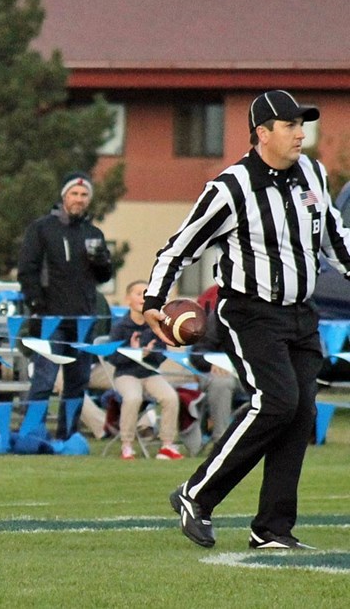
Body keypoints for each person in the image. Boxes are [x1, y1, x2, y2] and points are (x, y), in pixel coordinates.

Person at [145, 90, 350, 550]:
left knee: (301, 415)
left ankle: (272, 529)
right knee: (277, 402)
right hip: (250, 311)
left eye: (303, 124)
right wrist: (154, 299)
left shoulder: (313, 175)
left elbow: (336, 242)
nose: (301, 133)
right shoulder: (230, 187)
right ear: (262, 133)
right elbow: (179, 247)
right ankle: (195, 496)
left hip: (302, 313)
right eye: (291, 125)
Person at [17, 171, 113, 439]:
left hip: (83, 319)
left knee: (77, 382)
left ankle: (67, 436)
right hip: (50, 318)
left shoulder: (93, 233)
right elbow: (27, 269)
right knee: (44, 381)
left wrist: (103, 260)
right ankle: (30, 434)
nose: (79, 199)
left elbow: (104, 277)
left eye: (84, 195)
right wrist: (35, 304)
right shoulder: (42, 228)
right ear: (63, 196)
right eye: (74, 194)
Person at [107, 280, 182, 460]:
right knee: (133, 397)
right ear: (127, 299)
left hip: (149, 374)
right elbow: (112, 358)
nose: (142, 298)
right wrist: (133, 353)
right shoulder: (120, 327)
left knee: (170, 397)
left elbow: (162, 355)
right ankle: (127, 445)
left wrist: (148, 354)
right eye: (138, 294)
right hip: (126, 374)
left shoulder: (156, 326)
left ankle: (167, 445)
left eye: (146, 294)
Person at [189, 309, 247, 445]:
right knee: (221, 382)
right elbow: (198, 353)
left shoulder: (271, 316)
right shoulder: (219, 316)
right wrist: (212, 363)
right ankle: (222, 442)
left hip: (259, 374)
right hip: (226, 374)